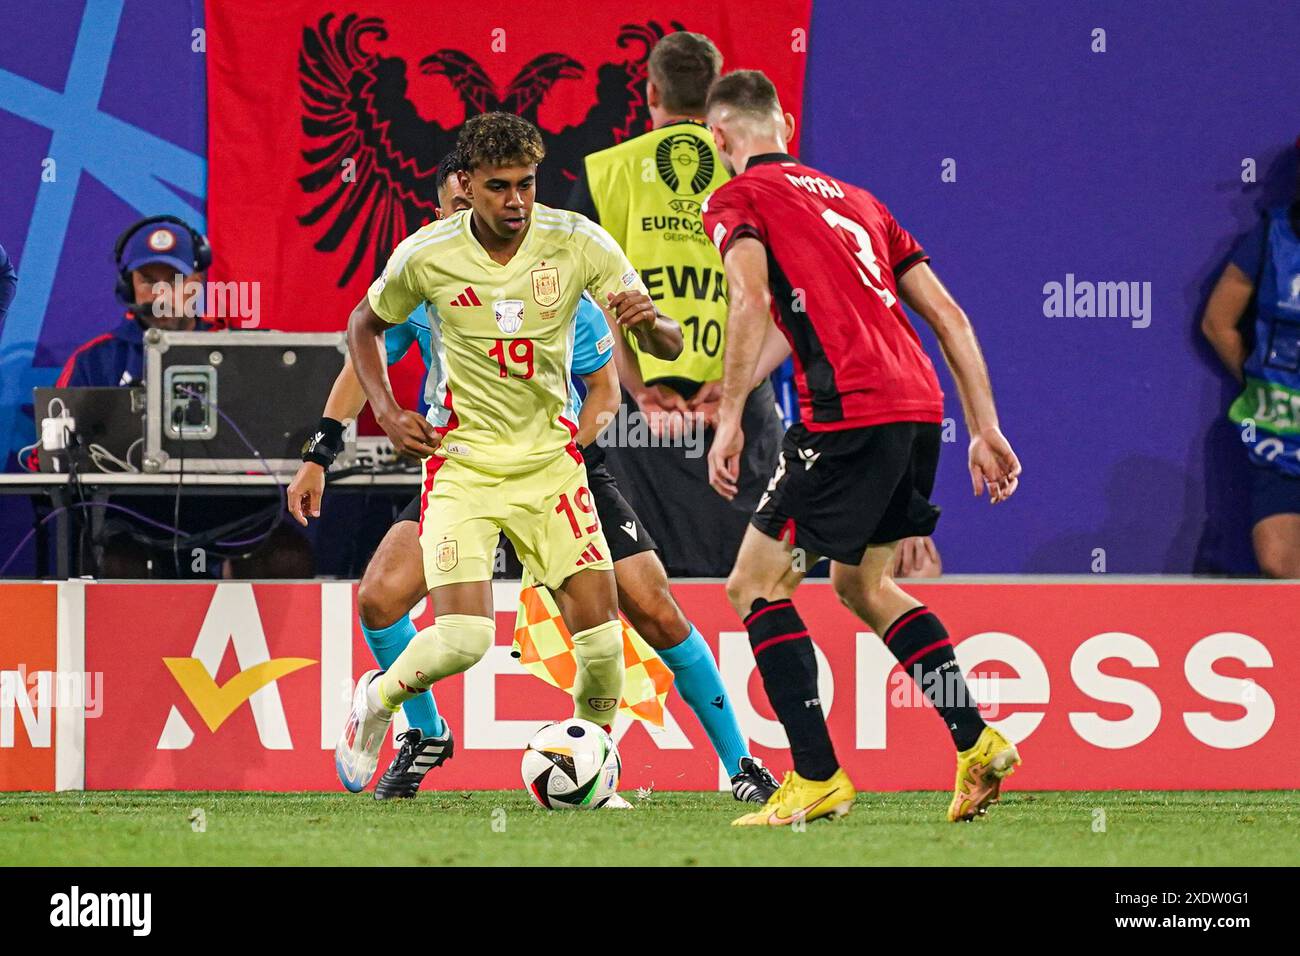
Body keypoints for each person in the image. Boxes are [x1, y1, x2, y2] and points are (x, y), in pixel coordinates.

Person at [307, 146, 778, 804]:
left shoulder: (557, 280)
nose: (493, 214)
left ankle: (739, 765)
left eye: (514, 193)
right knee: (381, 597)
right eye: (463, 206)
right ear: (446, 208)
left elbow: (606, 393)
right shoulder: (424, 279)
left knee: (652, 610)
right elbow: (360, 362)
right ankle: (424, 733)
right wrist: (320, 452)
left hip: (562, 469)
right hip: (466, 468)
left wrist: (565, 447)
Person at [701, 71, 1023, 826]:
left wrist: (728, 417)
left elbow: (748, 300)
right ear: (784, 122)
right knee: (862, 586)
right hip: (917, 408)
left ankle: (815, 777)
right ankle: (975, 741)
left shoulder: (737, 198)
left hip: (847, 414)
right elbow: (950, 317)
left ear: (718, 139)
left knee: (753, 586)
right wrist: (984, 427)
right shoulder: (859, 201)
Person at [567, 31, 784, 577]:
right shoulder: (757, 170)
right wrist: (734, 393)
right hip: (736, 409)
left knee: (647, 585)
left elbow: (586, 298)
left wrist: (638, 390)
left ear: (651, 92)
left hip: (638, 415)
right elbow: (788, 298)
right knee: (754, 581)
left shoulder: (605, 170)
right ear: (716, 97)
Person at [1201, 166, 1300, 579]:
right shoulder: (1274, 236)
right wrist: (1263, 381)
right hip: (1281, 436)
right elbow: (1217, 322)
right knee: (1278, 562)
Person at [57, 216, 212, 387]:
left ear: (196, 284)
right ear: (129, 286)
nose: (161, 296)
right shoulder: (93, 362)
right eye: (148, 281)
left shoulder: (232, 350)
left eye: (174, 280)